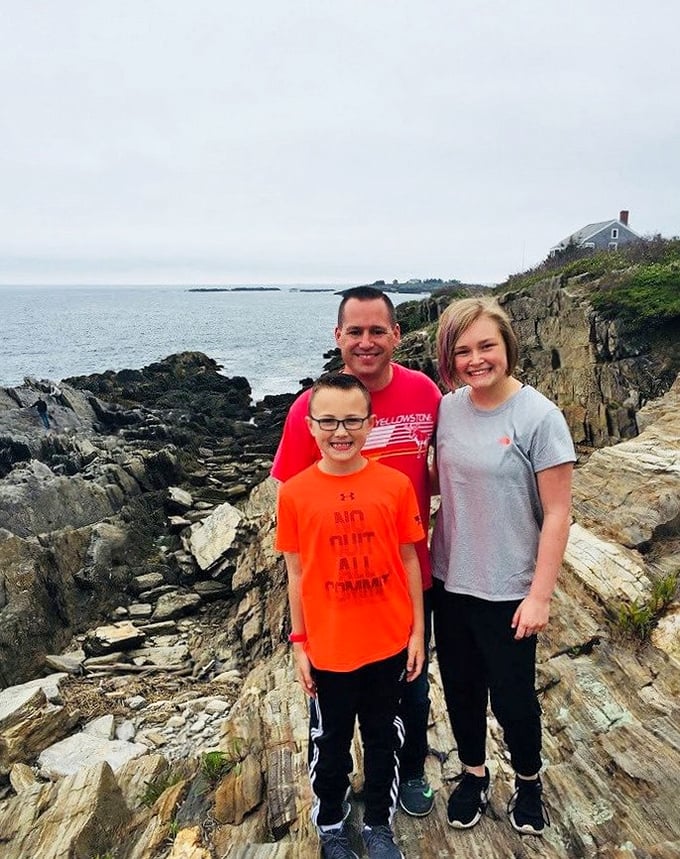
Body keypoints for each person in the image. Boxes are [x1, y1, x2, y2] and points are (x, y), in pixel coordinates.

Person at [272, 285, 442, 817]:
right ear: (338, 336)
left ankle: (409, 773)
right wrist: (301, 631)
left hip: (408, 575)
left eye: (376, 331)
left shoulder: (425, 393)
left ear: (396, 335)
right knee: (333, 703)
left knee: (412, 690)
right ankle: (334, 788)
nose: (366, 342)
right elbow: (295, 506)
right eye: (355, 331)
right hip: (337, 595)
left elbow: (447, 466)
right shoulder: (310, 409)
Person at [430, 296, 575, 837]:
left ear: (507, 345)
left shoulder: (539, 416)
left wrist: (540, 595)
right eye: (462, 350)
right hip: (450, 579)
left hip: (510, 586)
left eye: (486, 345)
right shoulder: (448, 409)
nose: (476, 359)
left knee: (514, 699)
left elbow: (558, 513)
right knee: (461, 689)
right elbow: (439, 480)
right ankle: (473, 773)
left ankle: (529, 781)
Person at [276, 374, 425, 859]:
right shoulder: (294, 493)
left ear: (370, 423)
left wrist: (417, 633)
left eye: (352, 421)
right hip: (329, 650)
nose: (340, 432)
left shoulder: (395, 485)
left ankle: (379, 824)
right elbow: (296, 574)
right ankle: (332, 826)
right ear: (310, 426)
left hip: (388, 644)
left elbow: (409, 560)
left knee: (383, 740)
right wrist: (299, 643)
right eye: (328, 421)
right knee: (331, 745)